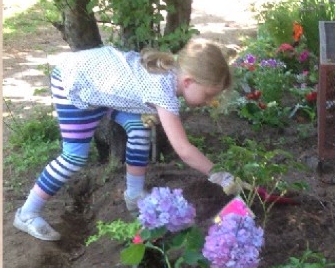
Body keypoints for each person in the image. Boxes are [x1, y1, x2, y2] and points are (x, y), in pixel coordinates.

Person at [13, 39, 236, 241]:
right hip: (76, 82)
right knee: (74, 156)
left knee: (139, 129)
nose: (210, 101)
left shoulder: (170, 74)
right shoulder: (163, 91)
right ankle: (27, 213)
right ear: (188, 81)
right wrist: (220, 174)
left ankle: (135, 194)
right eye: (208, 95)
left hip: (100, 81)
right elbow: (184, 149)